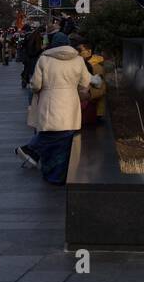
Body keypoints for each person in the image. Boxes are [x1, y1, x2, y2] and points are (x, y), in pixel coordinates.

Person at [18, 33, 91, 184]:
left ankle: (32, 149)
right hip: (70, 105)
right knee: (64, 142)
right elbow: (85, 82)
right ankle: (57, 176)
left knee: (50, 134)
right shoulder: (78, 60)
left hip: (49, 103)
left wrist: (36, 89)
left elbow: (36, 85)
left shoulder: (44, 59)